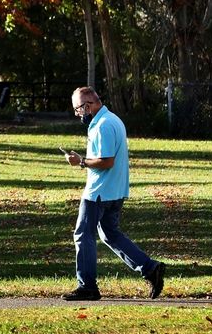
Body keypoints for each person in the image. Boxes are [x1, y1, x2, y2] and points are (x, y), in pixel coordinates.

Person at [62, 85, 165, 301]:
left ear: (88, 106)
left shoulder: (103, 126)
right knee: (110, 234)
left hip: (99, 192)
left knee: (83, 234)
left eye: (78, 109)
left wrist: (80, 162)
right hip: (115, 190)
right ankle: (150, 268)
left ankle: (87, 286)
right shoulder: (112, 119)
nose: (77, 114)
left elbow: (107, 161)